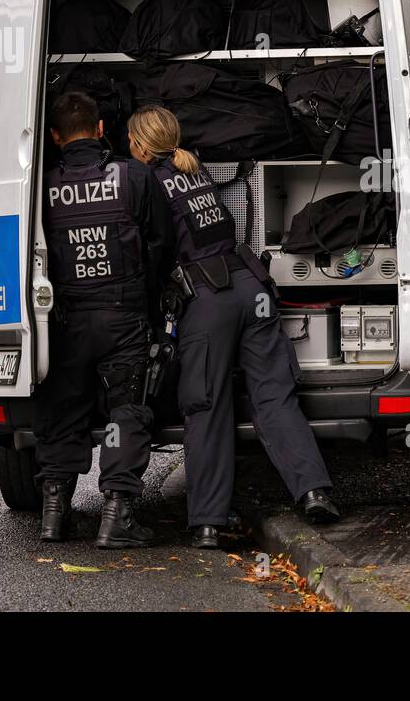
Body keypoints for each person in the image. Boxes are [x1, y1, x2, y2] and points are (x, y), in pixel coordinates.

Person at [126, 106, 340, 550]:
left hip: (209, 299)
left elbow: (158, 252)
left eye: (131, 141)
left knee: (206, 406)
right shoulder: (195, 170)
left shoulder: (150, 180)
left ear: (142, 145)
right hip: (252, 288)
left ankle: (208, 521)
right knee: (275, 396)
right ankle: (314, 491)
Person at [36, 92, 175, 548]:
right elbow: (160, 246)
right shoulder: (133, 177)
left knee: (65, 409)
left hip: (66, 322)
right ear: (100, 130)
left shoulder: (41, 186)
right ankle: (116, 515)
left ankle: (54, 516)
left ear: (55, 138)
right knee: (127, 411)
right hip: (124, 318)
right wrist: (149, 306)